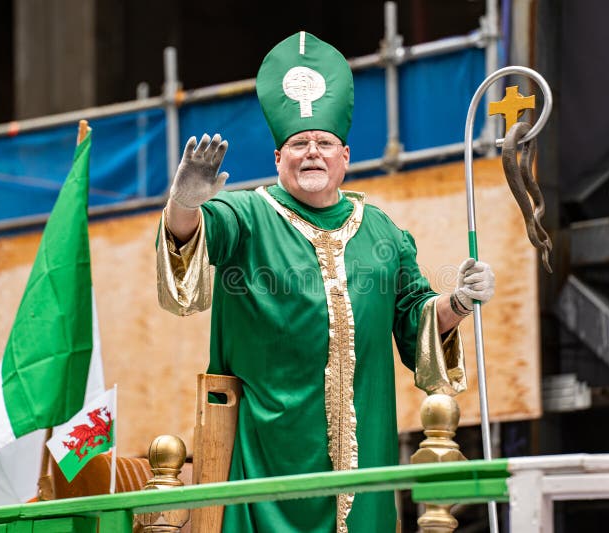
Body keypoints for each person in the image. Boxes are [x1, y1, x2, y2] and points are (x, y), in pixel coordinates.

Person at [156, 31, 495, 533]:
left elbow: (415, 317)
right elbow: (190, 238)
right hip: (267, 460)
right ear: (278, 159)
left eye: (323, 143)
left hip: (366, 465)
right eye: (298, 144)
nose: (311, 152)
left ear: (345, 156)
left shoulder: (380, 228)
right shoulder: (248, 215)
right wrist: (184, 203)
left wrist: (460, 303)